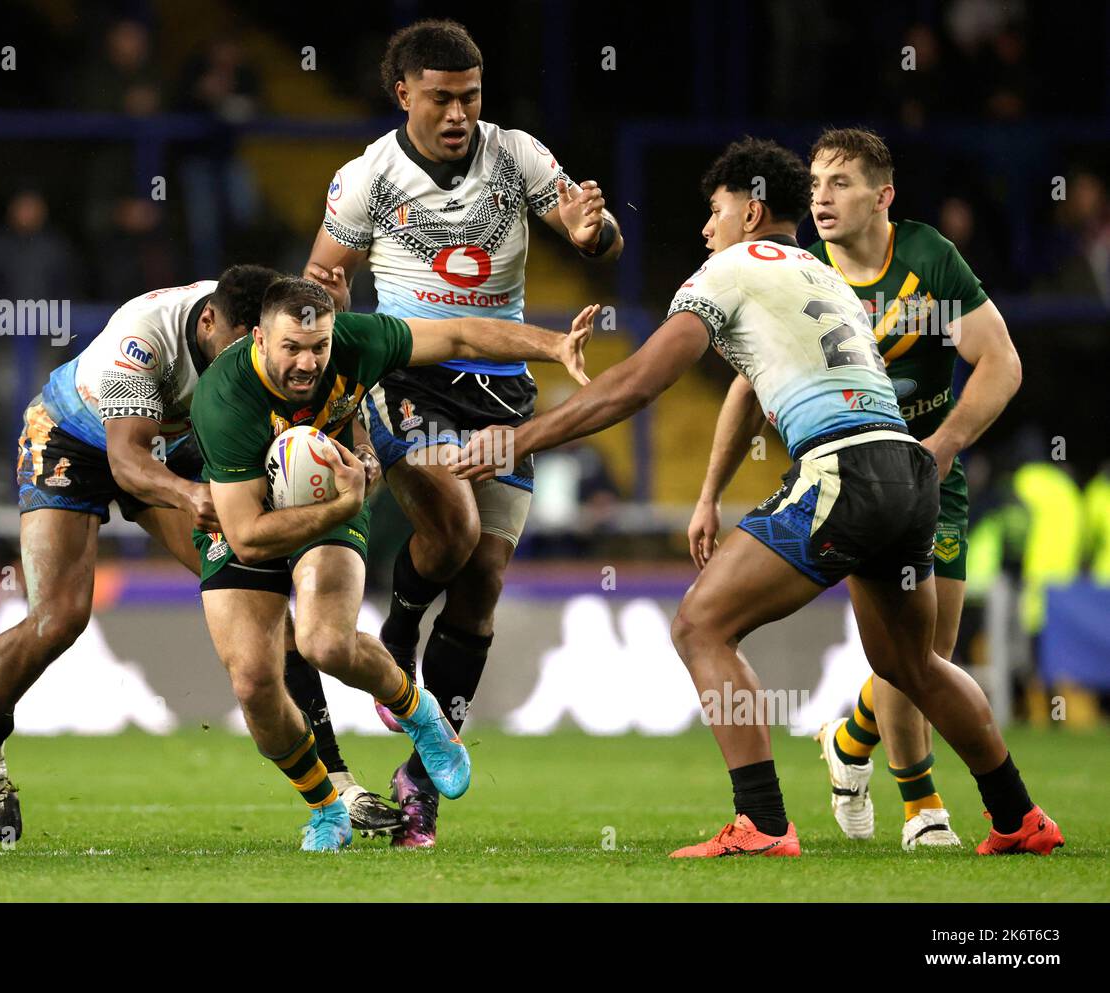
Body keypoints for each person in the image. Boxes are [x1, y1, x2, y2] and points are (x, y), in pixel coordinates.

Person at [454, 138, 1062, 858]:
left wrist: (516, 440)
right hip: (910, 472)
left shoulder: (727, 270)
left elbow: (639, 382)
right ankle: (1019, 815)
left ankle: (764, 823)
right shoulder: (824, 274)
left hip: (844, 472)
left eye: (714, 212)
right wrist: (712, 489)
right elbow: (756, 378)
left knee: (699, 624)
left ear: (751, 208)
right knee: (914, 664)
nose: (706, 230)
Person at [303, 19, 622, 846]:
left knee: (482, 580)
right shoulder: (367, 177)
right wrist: (328, 305)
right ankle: (401, 627)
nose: (457, 113)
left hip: (505, 383)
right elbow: (318, 278)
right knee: (456, 522)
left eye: (470, 96)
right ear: (403, 93)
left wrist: (596, 233)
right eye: (441, 97)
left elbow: (591, 234)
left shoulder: (515, 155)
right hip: (407, 373)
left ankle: (421, 773)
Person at [0, 266, 405, 844]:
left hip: (174, 447)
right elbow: (127, 461)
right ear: (210, 322)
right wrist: (190, 494)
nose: (245, 364)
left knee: (259, 601)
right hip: (78, 442)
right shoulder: (142, 339)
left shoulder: (259, 327)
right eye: (235, 349)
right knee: (58, 618)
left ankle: (335, 783)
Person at [189, 275, 595, 850]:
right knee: (255, 684)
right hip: (250, 515)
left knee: (325, 643)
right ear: (258, 337)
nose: (308, 363)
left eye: (318, 347)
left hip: (332, 498)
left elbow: (456, 336)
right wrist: (351, 499)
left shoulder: (357, 340)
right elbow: (250, 539)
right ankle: (326, 807)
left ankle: (423, 716)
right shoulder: (224, 397)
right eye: (291, 348)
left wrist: (551, 346)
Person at [805, 128, 1022, 850]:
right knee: (905, 649)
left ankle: (849, 736)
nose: (822, 197)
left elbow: (1001, 361)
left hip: (932, 476)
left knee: (928, 654)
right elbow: (750, 377)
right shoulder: (805, 270)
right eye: (814, 183)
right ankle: (923, 808)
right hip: (858, 478)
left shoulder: (928, 256)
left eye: (840, 182)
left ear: (882, 195)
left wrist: (944, 445)